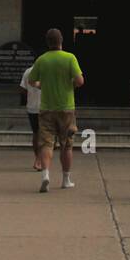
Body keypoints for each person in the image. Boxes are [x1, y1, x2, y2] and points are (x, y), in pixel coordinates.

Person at [24, 28, 84, 192]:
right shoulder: (70, 58)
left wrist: (41, 85)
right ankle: (66, 179)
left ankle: (45, 175)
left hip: (46, 109)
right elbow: (80, 81)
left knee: (46, 143)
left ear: (47, 42)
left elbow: (31, 81)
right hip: (67, 108)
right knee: (67, 145)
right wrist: (69, 84)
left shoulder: (41, 60)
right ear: (61, 41)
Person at [20, 62, 42, 171]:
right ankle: (40, 159)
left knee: (36, 133)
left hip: (32, 107)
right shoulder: (47, 71)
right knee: (48, 135)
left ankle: (38, 158)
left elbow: (23, 89)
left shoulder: (28, 71)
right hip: (46, 108)